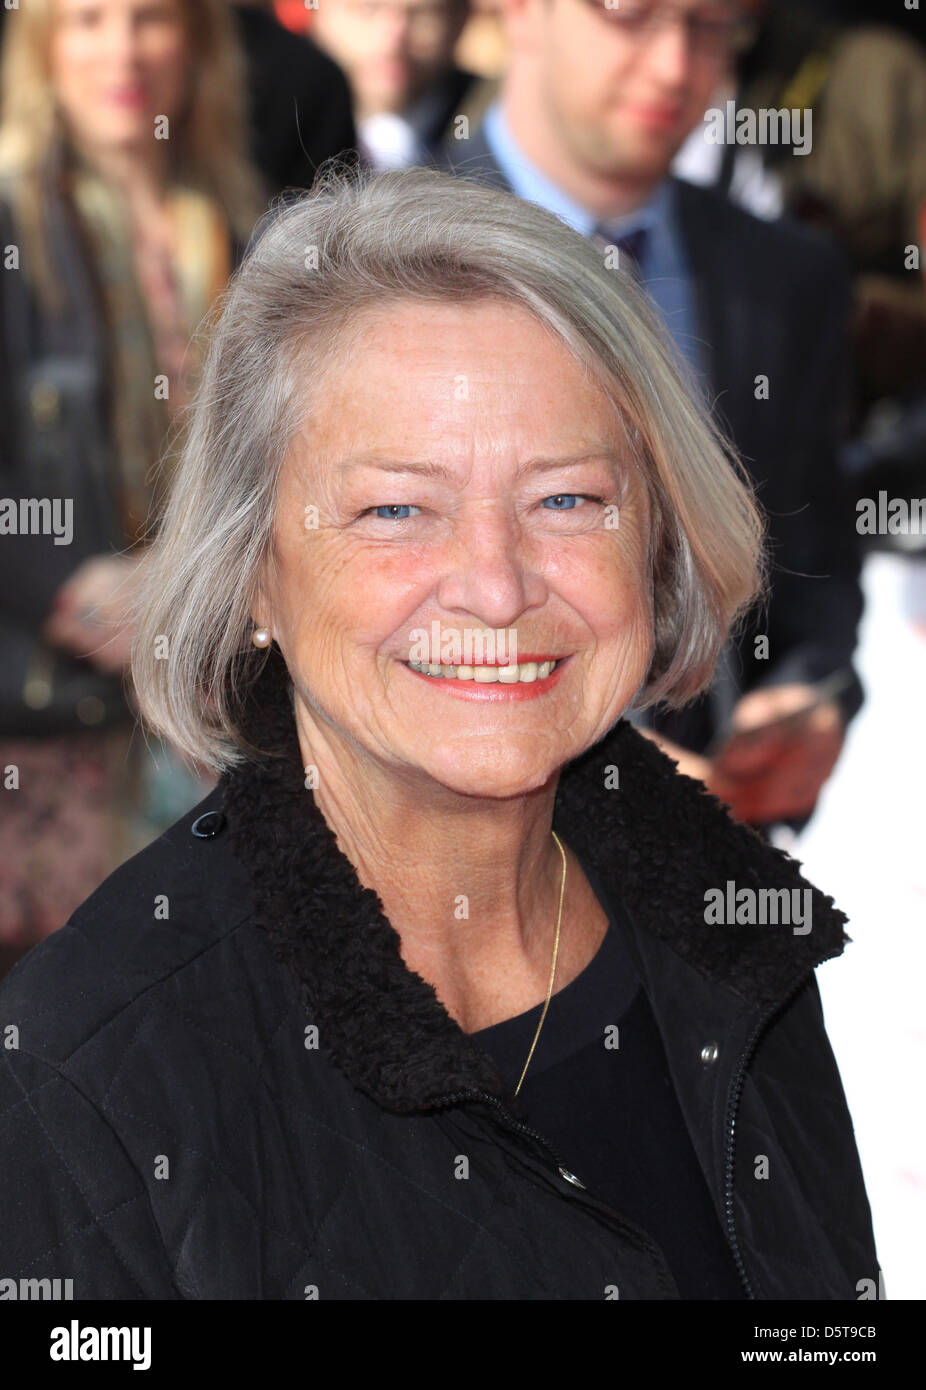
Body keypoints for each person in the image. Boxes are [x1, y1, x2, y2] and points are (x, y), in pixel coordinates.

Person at [0, 166, 879, 1299]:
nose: (495, 586)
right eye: (395, 509)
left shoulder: (741, 944)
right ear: (251, 574)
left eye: (566, 498)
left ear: (657, 542)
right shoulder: (89, 1074)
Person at [439, 0, 865, 832]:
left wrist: (809, 698)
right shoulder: (354, 268)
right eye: (629, 14)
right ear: (519, 12)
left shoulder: (788, 280)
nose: (677, 65)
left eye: (712, 25)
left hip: (707, 887)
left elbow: (812, 557)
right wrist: (587, 752)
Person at [0, 0, 264, 969]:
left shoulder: (249, 228)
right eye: (86, 21)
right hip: (47, 738)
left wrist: (211, 590)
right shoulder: (11, 225)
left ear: (195, 43)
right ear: (42, 52)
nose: (122, 50)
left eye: (150, 18)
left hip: (219, 706)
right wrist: (79, 588)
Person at [311, 0, 483, 170]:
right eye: (368, 8)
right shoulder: (290, 123)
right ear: (319, 11)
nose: (393, 39)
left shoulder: (492, 123)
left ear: (461, 19)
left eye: (424, 14)